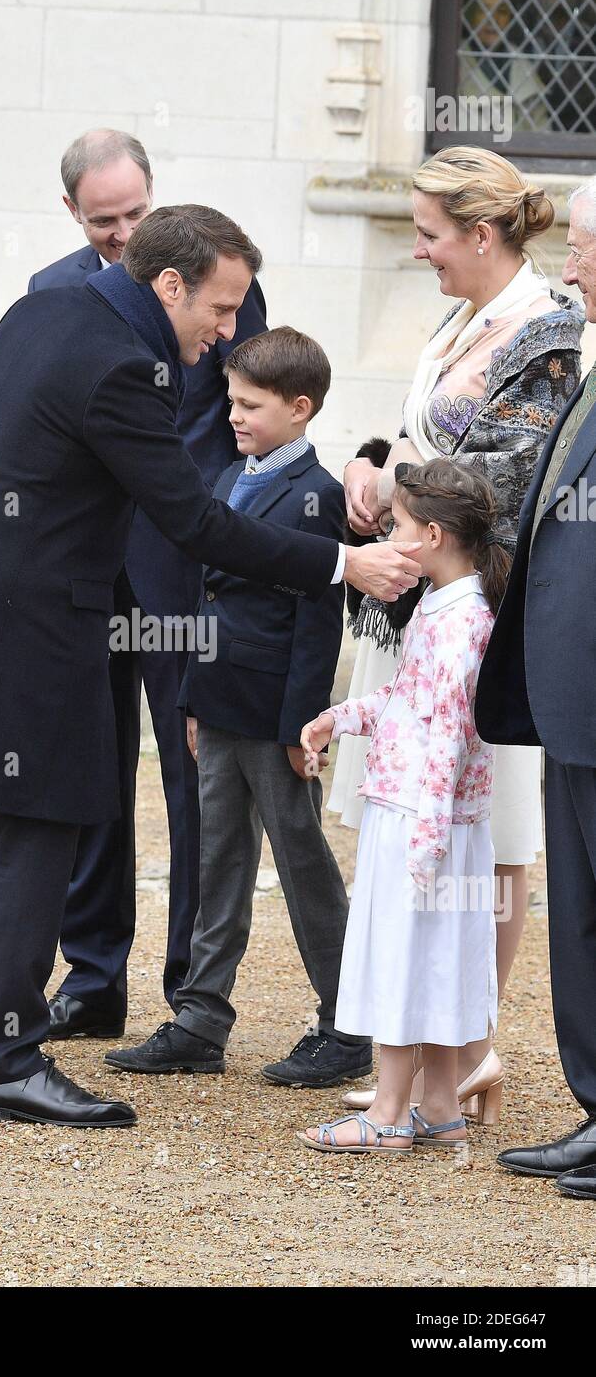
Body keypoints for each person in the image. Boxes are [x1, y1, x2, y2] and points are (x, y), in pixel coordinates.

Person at [0, 204, 422, 1129]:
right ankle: (7, 1060)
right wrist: (343, 561)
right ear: (168, 285)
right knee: (38, 829)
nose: (228, 331)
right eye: (221, 307)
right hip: (35, 627)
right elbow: (194, 522)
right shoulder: (121, 367)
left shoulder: (41, 312)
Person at [334, 146, 583, 1113]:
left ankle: (470, 1036)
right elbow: (424, 437)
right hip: (415, 594)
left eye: (430, 235)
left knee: (493, 834)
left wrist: (396, 484)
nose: (420, 252)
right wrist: (370, 460)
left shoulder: (547, 331)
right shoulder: (465, 317)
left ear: (481, 234)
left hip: (485, 617)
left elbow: (503, 480)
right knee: (406, 817)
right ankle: (428, 1039)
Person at [30, 130, 268, 1033]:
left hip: (185, 567)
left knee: (192, 774)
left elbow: (244, 415)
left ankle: (192, 992)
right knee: (88, 767)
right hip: (87, 569)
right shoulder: (53, 295)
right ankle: (91, 977)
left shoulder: (221, 284)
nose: (124, 235)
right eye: (104, 221)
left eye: (136, 213)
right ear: (72, 214)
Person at [105, 327, 371, 1087]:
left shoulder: (316, 498)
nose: (233, 417)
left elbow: (319, 622)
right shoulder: (227, 482)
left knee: (303, 865)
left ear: (300, 407)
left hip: (275, 718)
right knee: (216, 859)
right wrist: (191, 700)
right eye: (229, 401)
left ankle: (348, 1021)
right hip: (217, 705)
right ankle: (200, 1017)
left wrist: (301, 727)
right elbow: (201, 596)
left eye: (250, 405)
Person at [299, 460, 509, 1155]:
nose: (387, 533)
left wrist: (424, 840)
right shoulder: (450, 608)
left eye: (396, 525)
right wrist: (340, 717)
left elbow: (447, 734)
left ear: (433, 536)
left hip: (424, 818)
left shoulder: (459, 623)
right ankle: (441, 1104)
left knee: (403, 951)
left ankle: (389, 1112)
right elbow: (409, 703)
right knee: (439, 957)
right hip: (440, 820)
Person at [475, 177, 596, 1199]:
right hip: (569, 696)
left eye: (584, 247)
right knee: (580, 917)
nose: (569, 263)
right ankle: (593, 1108)